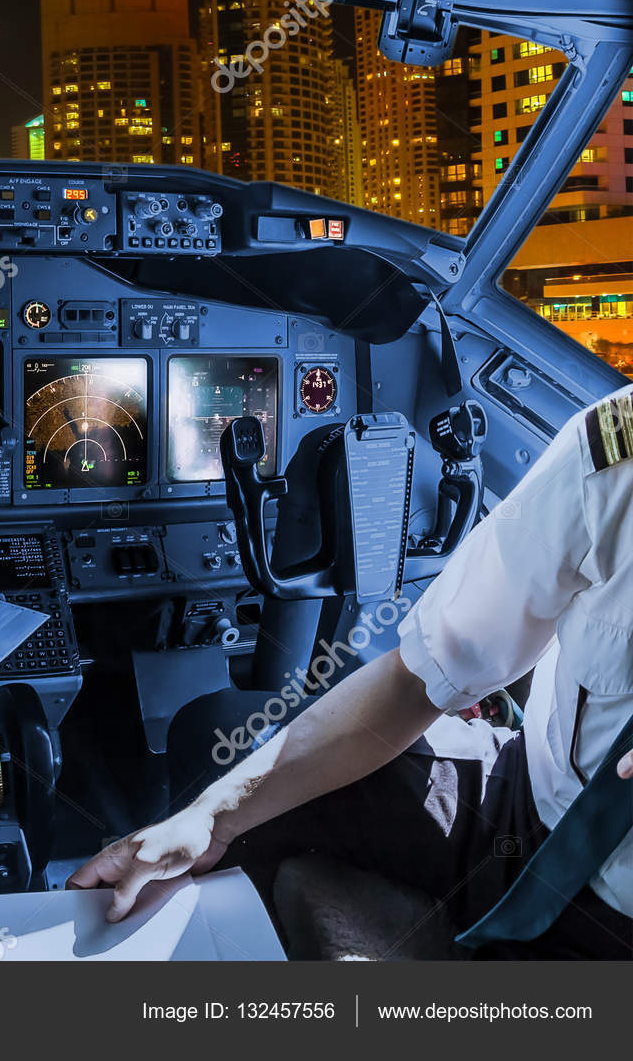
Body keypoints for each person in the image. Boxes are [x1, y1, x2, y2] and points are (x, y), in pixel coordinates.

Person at [70, 386, 633, 960]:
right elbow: (421, 678)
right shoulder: (614, 458)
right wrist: (211, 818)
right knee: (225, 734)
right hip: (522, 805)